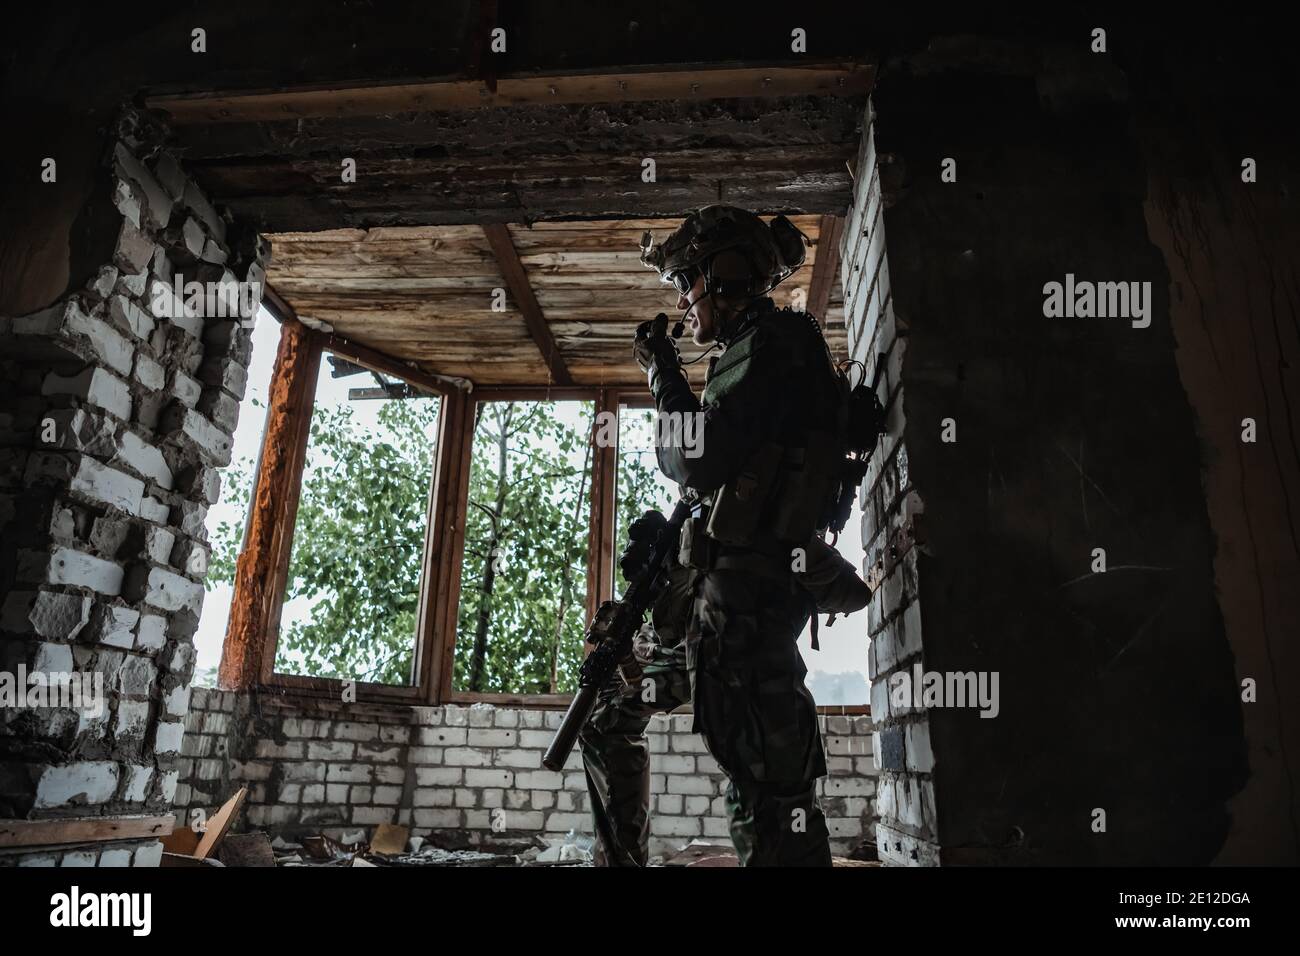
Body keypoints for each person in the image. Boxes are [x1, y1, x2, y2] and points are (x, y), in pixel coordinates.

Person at [579, 205, 869, 866]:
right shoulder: (758, 352)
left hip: (743, 617)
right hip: (714, 614)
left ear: (727, 275)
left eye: (688, 283)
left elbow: (697, 455)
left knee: (769, 797)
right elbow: (719, 478)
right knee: (609, 717)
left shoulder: (774, 342)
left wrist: (662, 375)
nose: (683, 304)